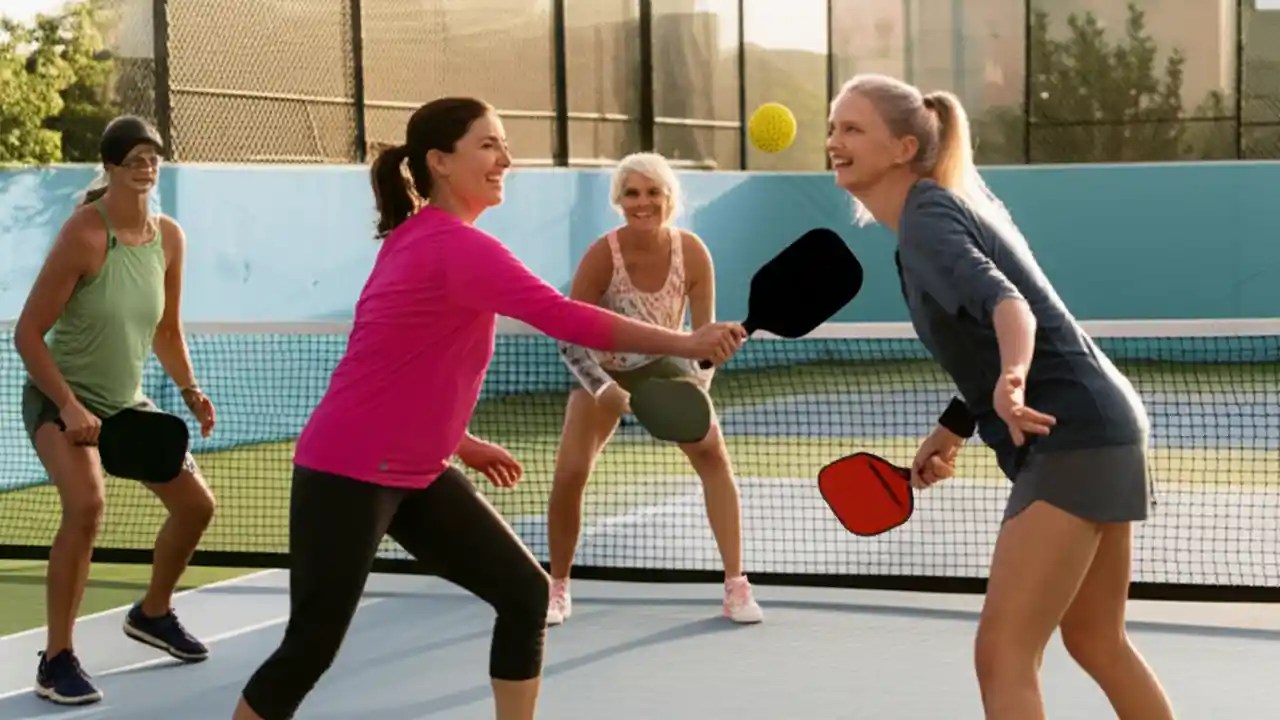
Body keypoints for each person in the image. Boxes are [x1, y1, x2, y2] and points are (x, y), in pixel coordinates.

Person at [230, 98, 746, 720]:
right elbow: (566, 317)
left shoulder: (419, 239)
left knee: (526, 594)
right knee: (310, 647)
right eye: (489, 145)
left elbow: (403, 355)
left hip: (416, 470)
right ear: (441, 163)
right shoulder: (453, 246)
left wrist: (460, 440)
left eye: (503, 144)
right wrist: (685, 342)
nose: (506, 158)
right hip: (350, 470)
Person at [825, 74, 1174, 720]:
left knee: (1003, 654)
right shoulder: (935, 214)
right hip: (1105, 423)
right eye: (832, 128)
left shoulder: (927, 220)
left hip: (1070, 433)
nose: (834, 142)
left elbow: (1010, 307)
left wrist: (1011, 382)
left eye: (852, 128)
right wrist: (957, 423)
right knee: (1098, 640)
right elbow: (988, 329)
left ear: (904, 147)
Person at [12, 115, 219, 706]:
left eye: (152, 155)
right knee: (87, 505)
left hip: (126, 403)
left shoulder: (169, 238)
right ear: (109, 166)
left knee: (197, 505)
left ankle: (153, 613)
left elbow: (168, 330)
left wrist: (189, 390)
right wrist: (71, 406)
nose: (146, 165)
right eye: (133, 157)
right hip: (60, 397)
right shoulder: (84, 233)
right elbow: (28, 333)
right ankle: (56, 659)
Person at [547, 152, 762, 626]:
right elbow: (569, 335)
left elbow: (702, 344)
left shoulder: (693, 252)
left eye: (652, 192)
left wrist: (689, 395)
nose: (642, 203)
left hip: (665, 367)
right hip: (601, 369)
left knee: (714, 458)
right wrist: (604, 389)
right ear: (618, 200)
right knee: (571, 471)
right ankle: (557, 587)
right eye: (631, 193)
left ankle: (735, 585)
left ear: (670, 197)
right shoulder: (604, 254)